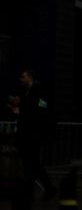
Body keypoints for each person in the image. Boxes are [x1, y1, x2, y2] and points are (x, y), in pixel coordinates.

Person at [9, 69, 56, 202]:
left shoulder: (39, 91)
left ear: (30, 77)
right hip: (26, 132)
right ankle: (44, 188)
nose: (21, 79)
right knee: (29, 162)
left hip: (34, 133)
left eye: (23, 77)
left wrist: (21, 110)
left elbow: (41, 108)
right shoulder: (25, 92)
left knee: (32, 161)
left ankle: (36, 189)